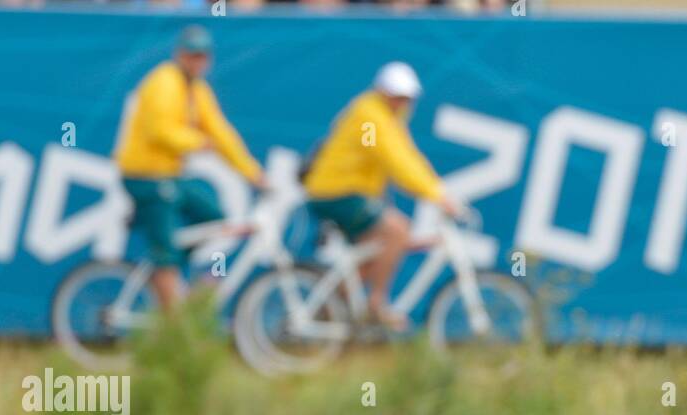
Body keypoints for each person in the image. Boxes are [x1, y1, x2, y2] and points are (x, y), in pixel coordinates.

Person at [113, 25, 269, 311]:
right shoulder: (163, 81)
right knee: (166, 253)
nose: (197, 61)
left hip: (170, 176)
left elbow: (222, 133)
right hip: (144, 177)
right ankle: (173, 313)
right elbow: (158, 130)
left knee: (215, 219)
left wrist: (253, 173)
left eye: (202, 55)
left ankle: (171, 275)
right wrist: (197, 142)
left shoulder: (198, 90)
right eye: (192, 54)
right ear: (180, 54)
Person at [302, 61, 466, 331]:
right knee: (397, 231)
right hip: (335, 193)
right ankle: (377, 305)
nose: (401, 102)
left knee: (372, 258)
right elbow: (396, 162)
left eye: (406, 98)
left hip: (347, 193)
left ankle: (326, 313)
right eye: (396, 96)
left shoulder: (390, 118)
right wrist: (437, 195)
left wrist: (437, 189)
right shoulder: (370, 116)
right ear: (382, 91)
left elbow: (410, 158)